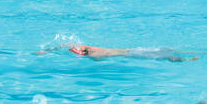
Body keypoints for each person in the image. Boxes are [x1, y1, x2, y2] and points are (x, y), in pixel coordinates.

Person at [67, 44, 197, 61]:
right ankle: (190, 53)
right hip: (133, 50)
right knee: (167, 52)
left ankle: (188, 59)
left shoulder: (92, 52)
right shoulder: (93, 50)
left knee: (167, 56)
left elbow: (97, 59)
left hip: (133, 53)